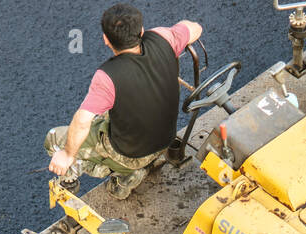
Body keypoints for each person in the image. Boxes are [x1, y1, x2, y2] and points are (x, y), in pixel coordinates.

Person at [45, 4, 203, 199]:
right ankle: (133, 170)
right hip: (166, 140)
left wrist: (68, 154)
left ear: (106, 40)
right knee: (106, 114)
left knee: (54, 138)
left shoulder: (107, 77)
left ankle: (96, 178)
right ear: (142, 31)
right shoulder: (164, 38)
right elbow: (195, 27)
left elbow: (82, 120)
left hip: (131, 154)